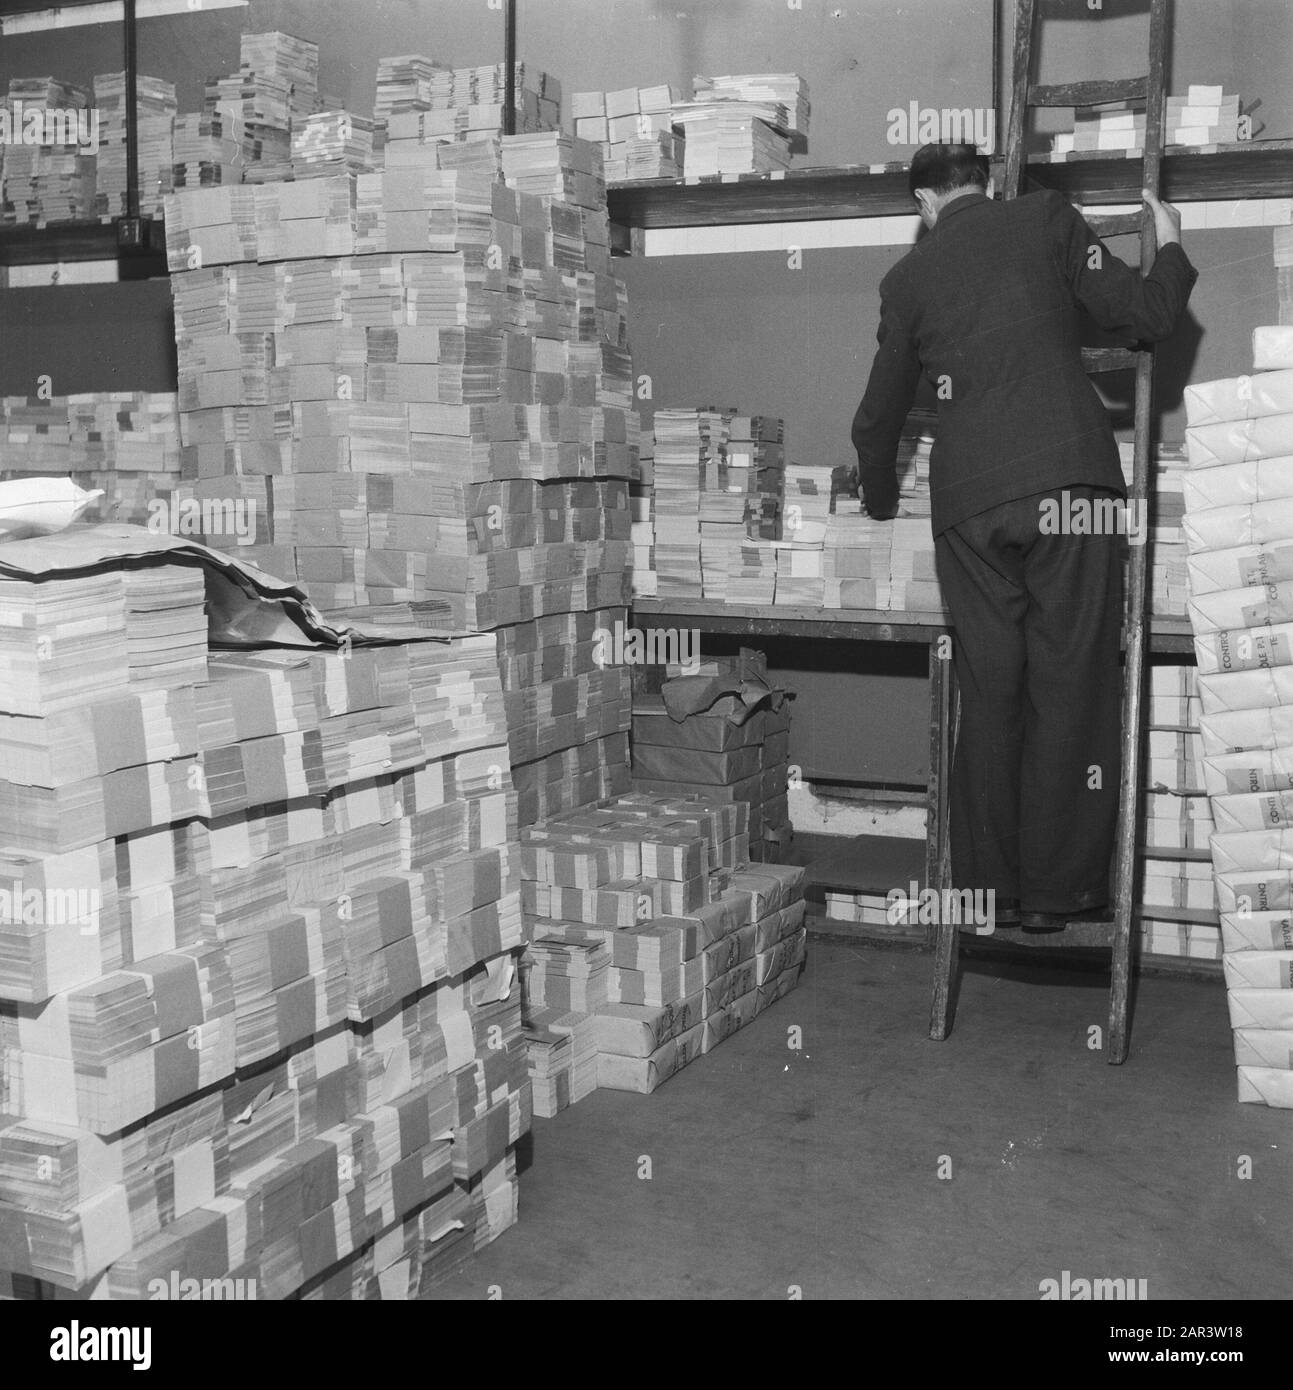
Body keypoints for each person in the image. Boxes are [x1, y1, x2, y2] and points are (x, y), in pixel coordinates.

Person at [851, 143, 1197, 933]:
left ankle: (992, 891)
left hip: (970, 507)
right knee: (1071, 686)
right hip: (1070, 489)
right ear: (988, 184)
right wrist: (1170, 240)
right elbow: (1145, 316)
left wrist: (876, 502)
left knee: (991, 688)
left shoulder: (906, 279)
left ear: (923, 206)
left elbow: (876, 418)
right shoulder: (1044, 216)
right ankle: (1056, 896)